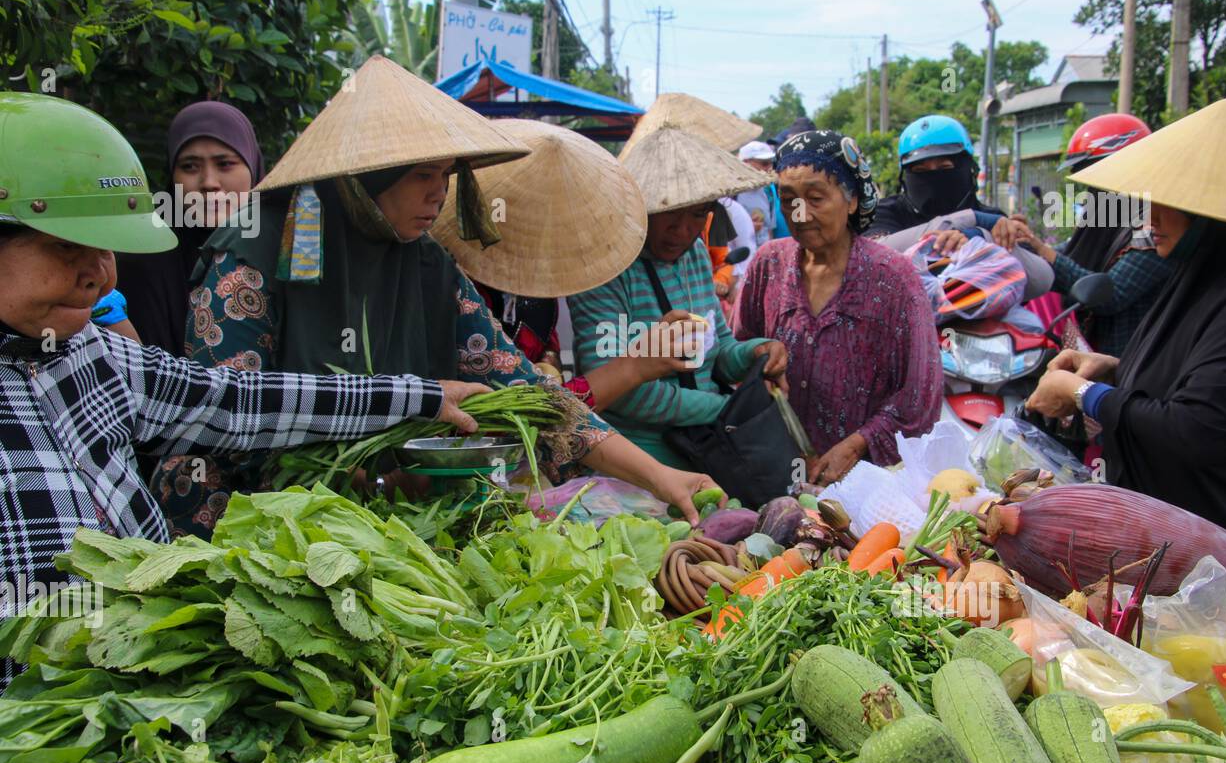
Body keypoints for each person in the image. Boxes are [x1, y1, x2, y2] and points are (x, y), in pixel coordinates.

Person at [0, 93, 494, 687]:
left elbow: (241, 401)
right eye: (65, 247)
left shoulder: (94, 355)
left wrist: (419, 398)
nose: (100, 275)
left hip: (134, 690)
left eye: (106, 249)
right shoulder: (247, 254)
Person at [161, 56, 718, 536]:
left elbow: (530, 393)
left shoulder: (427, 265)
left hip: (380, 515)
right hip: (251, 516)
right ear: (370, 176)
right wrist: (377, 439)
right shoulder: (255, 249)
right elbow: (225, 407)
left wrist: (659, 477)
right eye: (423, 175)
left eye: (447, 175)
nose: (439, 195)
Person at [1025, 97, 1226, 570]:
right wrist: (1111, 368)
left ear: (1215, 217)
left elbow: (1193, 430)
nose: (1149, 216)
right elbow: (1189, 374)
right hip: (1179, 542)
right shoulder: (1200, 285)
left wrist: (1084, 392)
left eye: (1168, 202)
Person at [430, 118, 701, 414]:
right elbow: (530, 410)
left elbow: (548, 351)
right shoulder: (453, 289)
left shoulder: (535, 285)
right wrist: (634, 367)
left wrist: (549, 362)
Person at [568, 126, 789, 468]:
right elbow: (619, 390)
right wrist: (726, 408)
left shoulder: (696, 254)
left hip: (707, 447)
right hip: (636, 458)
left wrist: (754, 352)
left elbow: (718, 352)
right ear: (639, 203)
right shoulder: (604, 268)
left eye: (697, 213)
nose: (683, 230)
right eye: (668, 211)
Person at [734, 130, 943, 482]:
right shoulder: (768, 264)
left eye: (816, 198)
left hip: (868, 480)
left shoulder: (893, 278)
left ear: (851, 201)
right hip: (775, 467)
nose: (799, 214)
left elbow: (920, 396)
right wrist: (759, 366)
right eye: (788, 200)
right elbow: (739, 349)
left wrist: (858, 443)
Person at [1007, 113, 1174, 356]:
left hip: (1134, 363)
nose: (1090, 193)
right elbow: (1070, 253)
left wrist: (1043, 251)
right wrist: (1025, 242)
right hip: (1093, 355)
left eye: (1096, 182)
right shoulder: (1107, 219)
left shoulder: (1153, 232)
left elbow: (1111, 295)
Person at [115, 101, 265, 356]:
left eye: (225, 164)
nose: (209, 183)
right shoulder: (144, 257)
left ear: (252, 167)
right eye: (190, 167)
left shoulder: (281, 248)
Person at [870, 114, 1053, 300]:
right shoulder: (888, 213)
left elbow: (1037, 282)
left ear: (969, 170)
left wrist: (980, 237)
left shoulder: (996, 220)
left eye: (945, 167)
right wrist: (966, 221)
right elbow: (872, 252)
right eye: (920, 171)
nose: (934, 178)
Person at [734, 140, 789, 244]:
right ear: (745, 163)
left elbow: (769, 230)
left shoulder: (768, 190)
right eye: (764, 164)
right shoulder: (730, 194)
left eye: (771, 163)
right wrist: (747, 228)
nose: (769, 168)